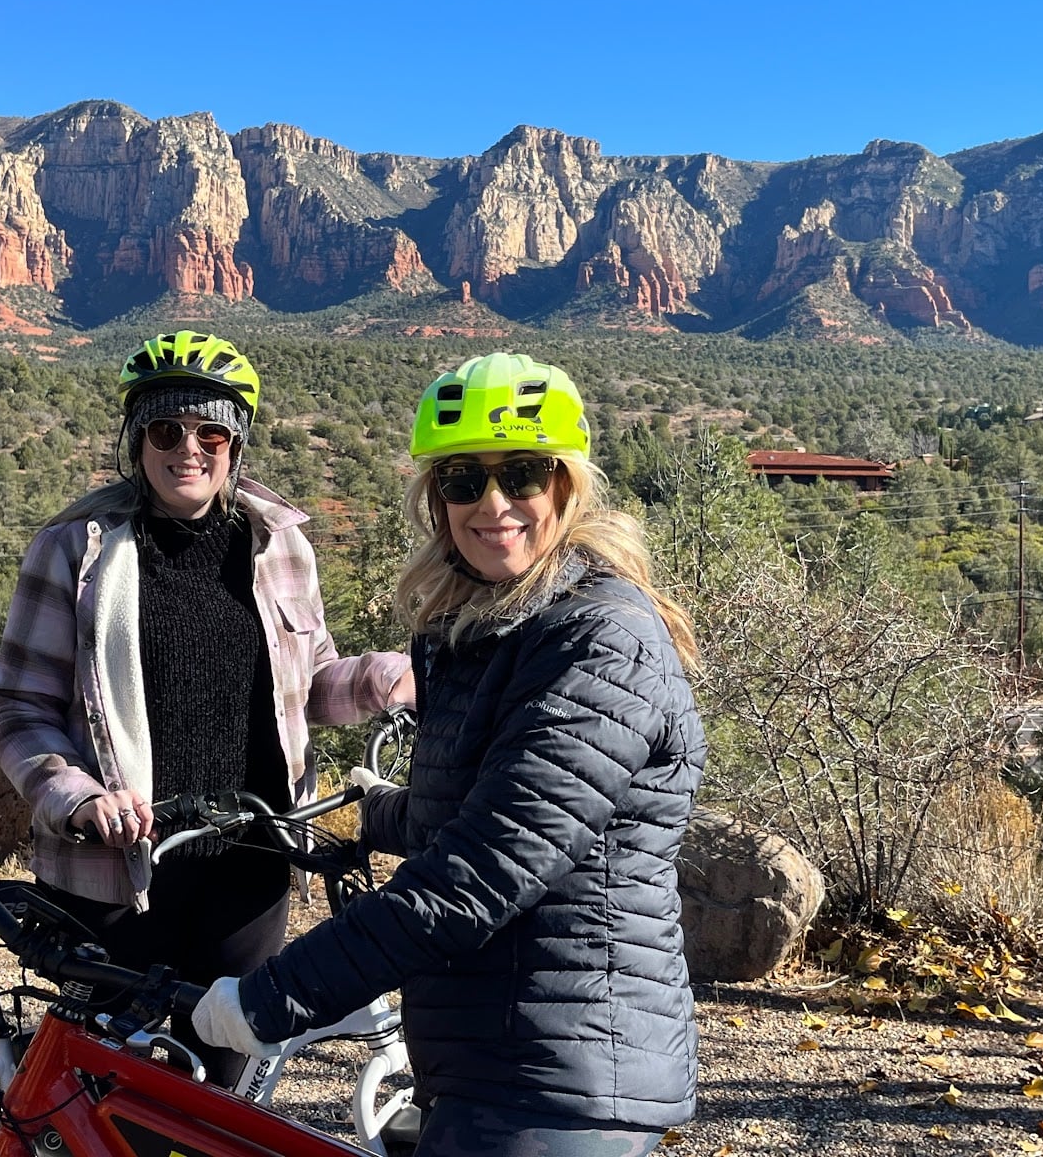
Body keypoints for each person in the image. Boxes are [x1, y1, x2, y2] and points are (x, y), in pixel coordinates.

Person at [192, 351, 707, 1155]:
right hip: (492, 1062)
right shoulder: (485, 628)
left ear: (566, 485)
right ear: (437, 498)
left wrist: (273, 1000)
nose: (493, 503)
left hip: (560, 1078)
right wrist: (370, 813)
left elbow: (488, 865)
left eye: (524, 474)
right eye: (464, 480)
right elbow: (482, 804)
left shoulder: (601, 639)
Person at [0, 330, 411, 1087]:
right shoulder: (75, 549)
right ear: (136, 439)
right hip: (111, 874)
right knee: (106, 1098)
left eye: (211, 431)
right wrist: (76, 798)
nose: (190, 448)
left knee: (221, 1093)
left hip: (251, 870)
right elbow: (17, 707)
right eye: (166, 429)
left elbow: (308, 687)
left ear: (236, 443)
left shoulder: (278, 544)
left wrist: (384, 678)